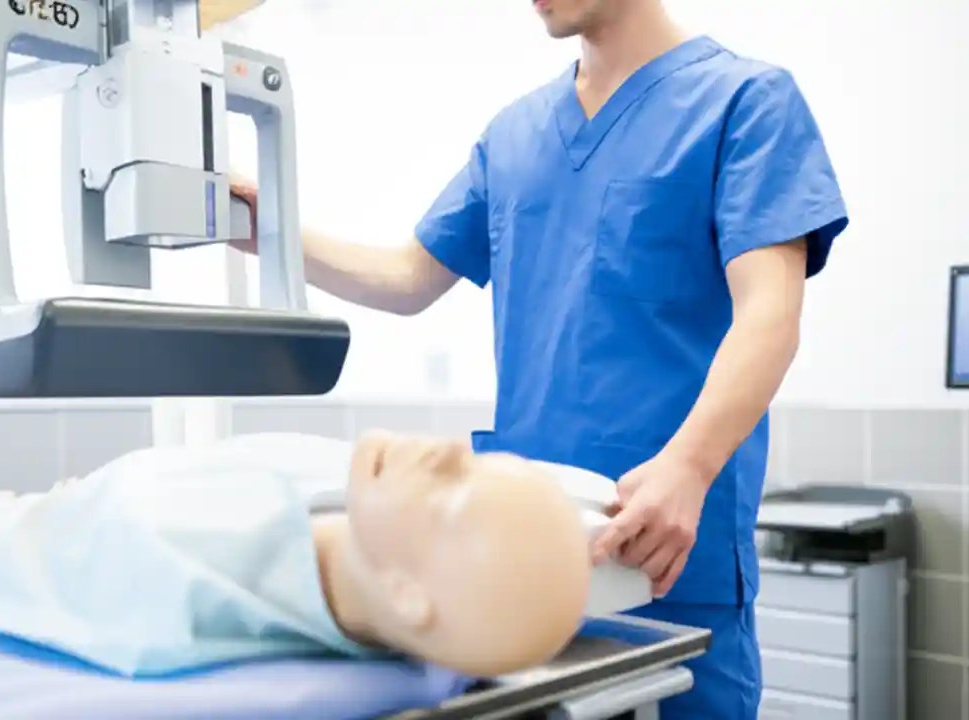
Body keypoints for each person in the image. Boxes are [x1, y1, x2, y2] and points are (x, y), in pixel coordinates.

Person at [228, 1, 848, 716]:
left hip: (671, 557)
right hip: (525, 556)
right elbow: (407, 279)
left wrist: (690, 465)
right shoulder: (514, 135)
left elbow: (770, 316)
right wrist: (262, 224)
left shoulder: (744, 103)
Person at [0, 431, 591, 678]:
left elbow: (50, 558)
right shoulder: (347, 513)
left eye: (455, 488)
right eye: (473, 459)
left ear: (406, 596)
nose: (448, 447)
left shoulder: (174, 568)